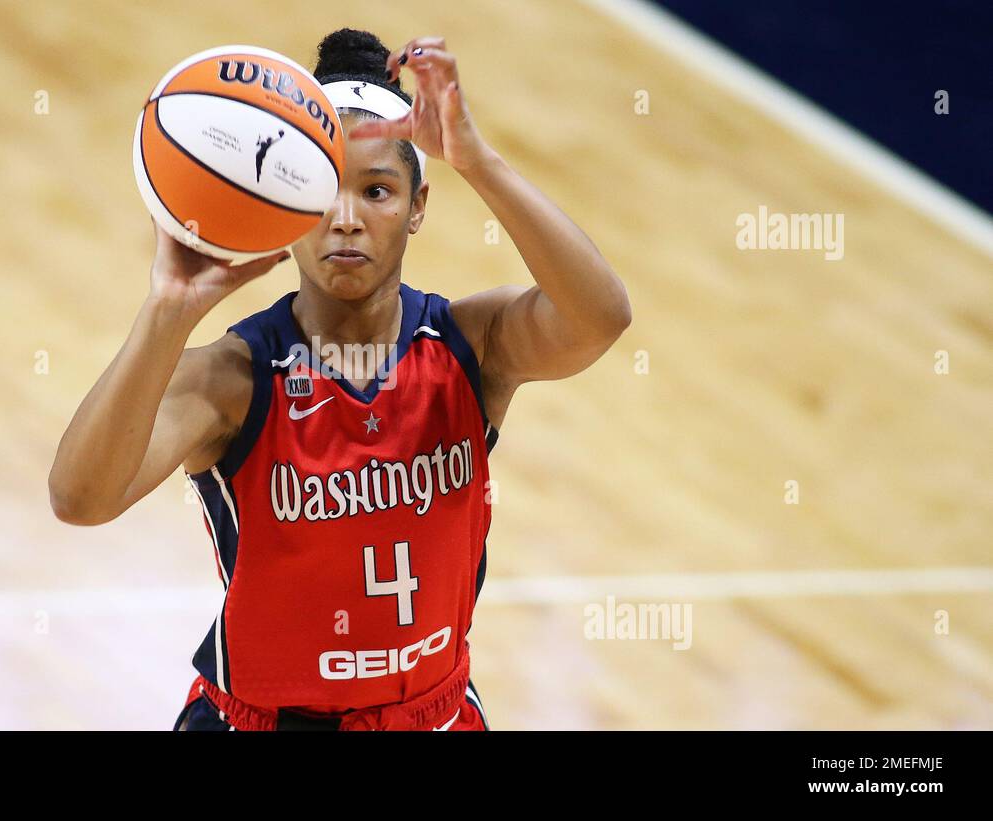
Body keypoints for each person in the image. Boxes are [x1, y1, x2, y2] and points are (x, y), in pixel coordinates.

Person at [48, 28, 632, 730]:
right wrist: (167, 312)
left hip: (434, 715)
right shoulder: (233, 379)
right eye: (322, 194)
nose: (347, 220)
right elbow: (79, 499)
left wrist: (478, 161)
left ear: (417, 207)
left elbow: (601, 317)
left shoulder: (474, 347)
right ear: (286, 207)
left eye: (378, 191)